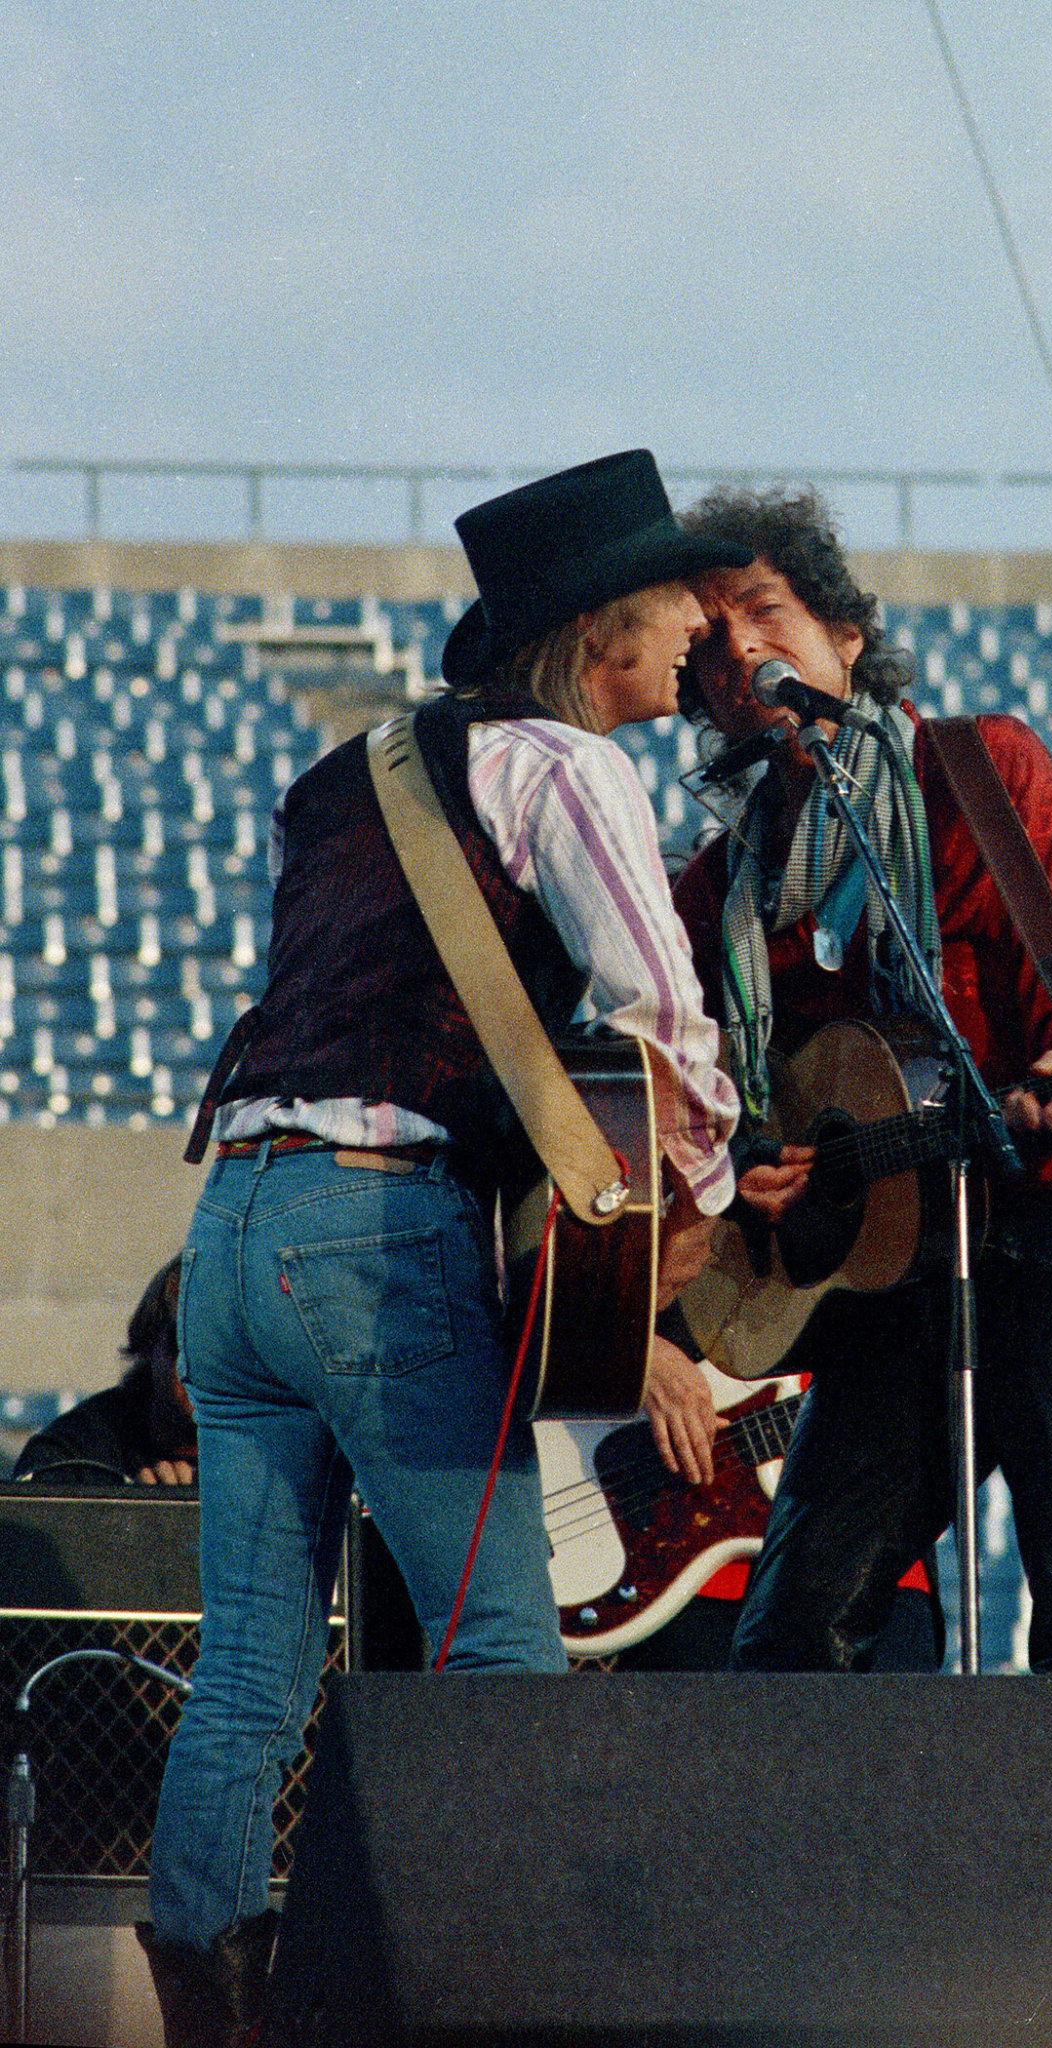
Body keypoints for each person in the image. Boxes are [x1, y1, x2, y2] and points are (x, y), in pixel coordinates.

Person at [139, 451, 747, 2046]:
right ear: (604, 625)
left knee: (250, 1681)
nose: (700, 625)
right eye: (678, 597)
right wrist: (705, 1194)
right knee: (497, 1644)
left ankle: (205, 2009)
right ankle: (507, 2006)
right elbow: (659, 1019)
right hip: (374, 1236)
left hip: (231, 1227)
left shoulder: (346, 770)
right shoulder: (562, 765)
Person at [670, 484, 1052, 1676]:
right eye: (707, 643)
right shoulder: (718, 888)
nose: (740, 648)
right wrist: (752, 1165)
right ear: (696, 695)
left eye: (763, 612)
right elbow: (704, 1093)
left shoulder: (979, 771)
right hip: (882, 1275)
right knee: (792, 1635)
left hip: (1049, 1209)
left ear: (843, 636)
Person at [12, 1255, 195, 1485]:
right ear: (149, 1344)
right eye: (190, 1344)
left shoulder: (255, 1458)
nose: (212, 1367)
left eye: (235, 1353)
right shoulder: (75, 1457)